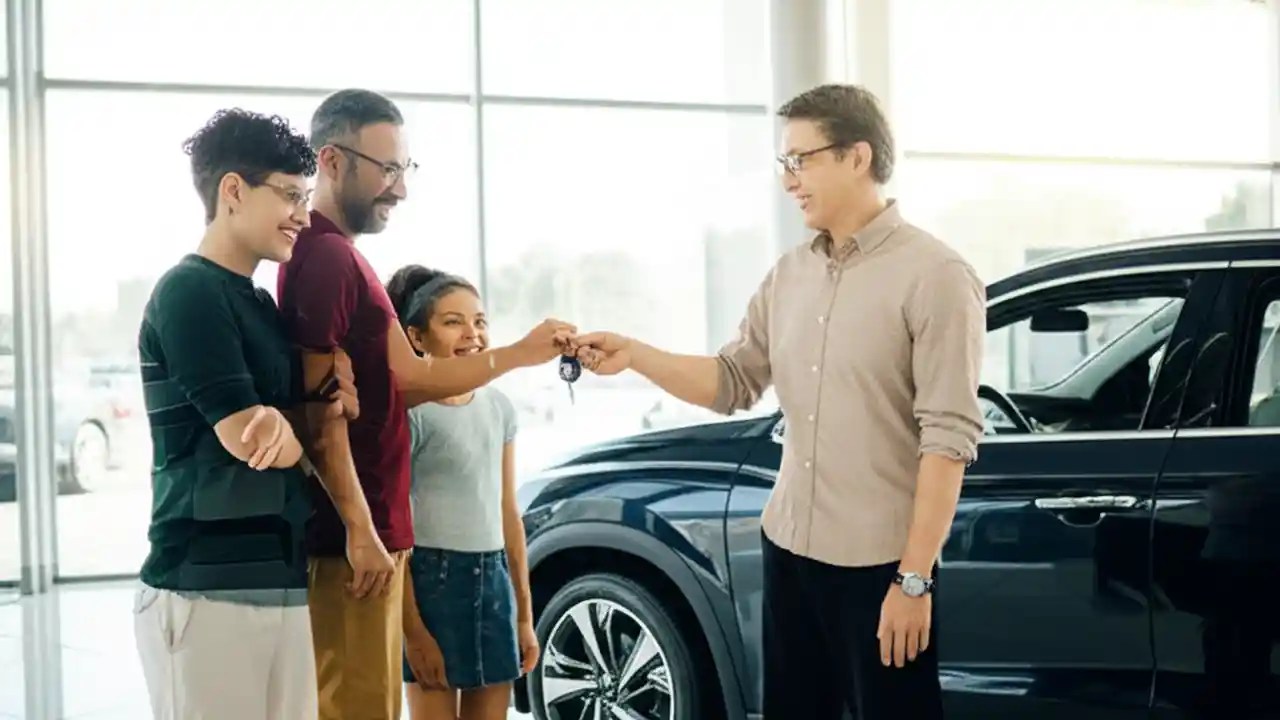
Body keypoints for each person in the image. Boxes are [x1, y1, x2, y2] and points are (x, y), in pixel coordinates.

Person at [575, 83, 986, 719]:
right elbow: (731, 380)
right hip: (791, 547)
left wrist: (914, 578)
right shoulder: (789, 275)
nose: (789, 179)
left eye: (802, 159)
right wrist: (637, 354)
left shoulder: (936, 277)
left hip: (880, 564)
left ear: (857, 156)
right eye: (784, 163)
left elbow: (948, 439)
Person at [277, 88, 573, 720]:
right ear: (331, 161)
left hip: (373, 537)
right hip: (357, 541)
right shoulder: (327, 257)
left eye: (404, 170)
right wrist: (359, 528)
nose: (400, 189)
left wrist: (517, 353)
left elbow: (398, 379)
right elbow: (324, 408)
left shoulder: (341, 258)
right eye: (387, 169)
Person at [133, 108, 357, 720]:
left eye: (307, 198)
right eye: (289, 195)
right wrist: (294, 425)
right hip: (202, 586)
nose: (303, 216)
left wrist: (308, 414)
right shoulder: (189, 292)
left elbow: (291, 430)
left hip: (278, 580)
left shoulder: (257, 302)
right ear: (233, 191)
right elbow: (252, 440)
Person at [384, 265, 540, 720]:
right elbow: (393, 527)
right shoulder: (411, 412)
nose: (472, 332)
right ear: (415, 337)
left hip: (494, 581)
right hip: (432, 581)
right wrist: (413, 632)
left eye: (480, 320)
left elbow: (509, 514)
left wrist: (524, 618)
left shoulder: (498, 407)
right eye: (453, 321)